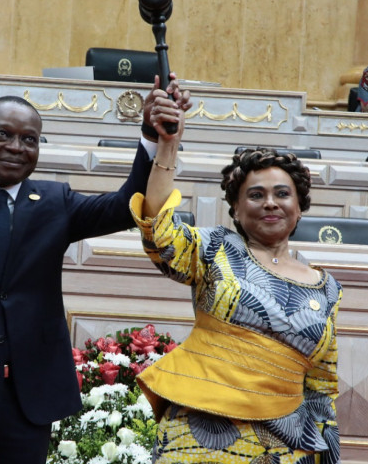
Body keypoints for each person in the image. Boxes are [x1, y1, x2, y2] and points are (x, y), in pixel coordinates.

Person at [0, 81, 192, 464]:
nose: (16, 147)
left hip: (27, 407)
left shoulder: (54, 203)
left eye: (30, 139)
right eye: (2, 134)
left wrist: (150, 134)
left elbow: (125, 204)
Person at [130, 93, 341, 463]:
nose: (270, 203)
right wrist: (168, 145)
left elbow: (322, 385)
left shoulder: (328, 288)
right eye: (256, 195)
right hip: (199, 429)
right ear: (237, 210)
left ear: (299, 207)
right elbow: (160, 236)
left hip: (286, 443)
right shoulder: (214, 247)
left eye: (282, 194)